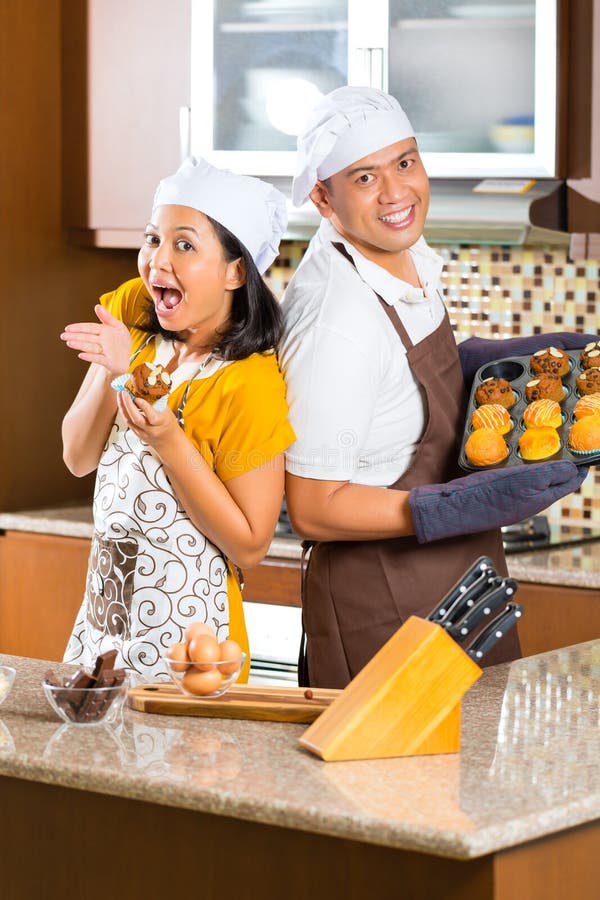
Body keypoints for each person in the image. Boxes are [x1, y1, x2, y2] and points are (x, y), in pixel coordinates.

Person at [279, 86, 592, 689]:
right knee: (394, 784)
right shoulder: (334, 323)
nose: (397, 193)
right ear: (324, 196)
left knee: (471, 777)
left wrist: (490, 360)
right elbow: (314, 506)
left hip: (460, 580)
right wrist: (450, 506)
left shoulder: (396, 249)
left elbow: (404, 384)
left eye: (405, 162)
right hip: (382, 602)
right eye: (364, 177)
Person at [61, 156, 295, 683]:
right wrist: (114, 367)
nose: (157, 262)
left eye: (184, 245)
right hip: (103, 626)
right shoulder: (132, 313)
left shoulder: (248, 384)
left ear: (236, 271)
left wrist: (166, 436)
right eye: (152, 239)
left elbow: (251, 543)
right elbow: (76, 457)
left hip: (195, 650)